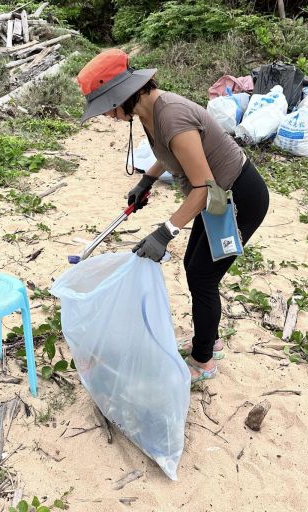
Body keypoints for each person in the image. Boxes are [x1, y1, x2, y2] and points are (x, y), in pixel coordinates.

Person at [77, 48, 269, 385]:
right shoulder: (150, 111)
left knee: (202, 276)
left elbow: (203, 188)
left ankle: (204, 360)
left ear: (124, 94)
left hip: (238, 198)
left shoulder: (172, 115)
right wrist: (147, 180)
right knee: (197, 270)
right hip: (217, 199)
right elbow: (170, 153)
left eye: (107, 106)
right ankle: (208, 341)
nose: (107, 115)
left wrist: (164, 232)